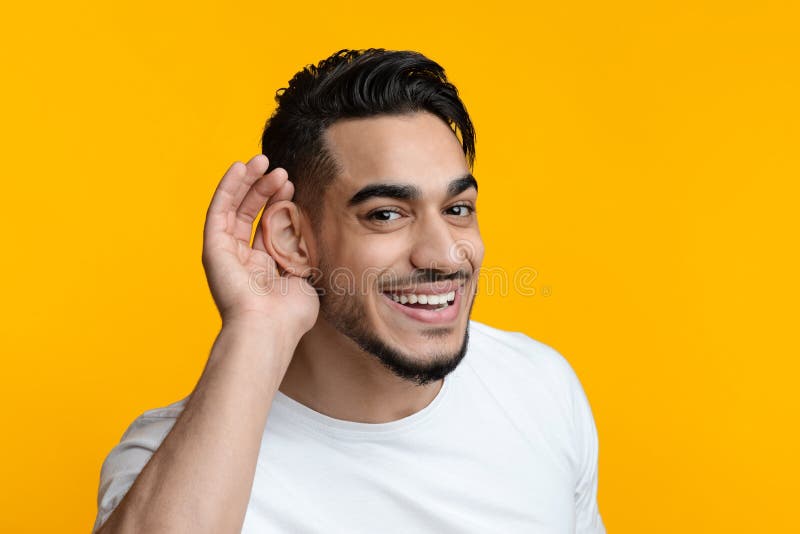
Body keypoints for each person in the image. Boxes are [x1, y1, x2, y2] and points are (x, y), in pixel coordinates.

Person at [93, 48, 605, 534]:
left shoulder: (541, 387)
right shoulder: (169, 465)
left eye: (457, 209)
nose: (444, 254)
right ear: (293, 239)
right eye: (385, 214)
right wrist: (256, 327)